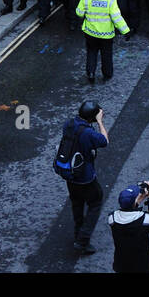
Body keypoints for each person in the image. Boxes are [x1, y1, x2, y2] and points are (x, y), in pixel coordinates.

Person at [63, 100, 110, 254]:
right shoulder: (88, 133)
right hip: (85, 177)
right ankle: (82, 240)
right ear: (91, 118)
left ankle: (78, 233)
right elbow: (104, 141)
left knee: (77, 203)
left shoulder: (69, 124)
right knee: (95, 202)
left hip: (70, 174)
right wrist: (100, 122)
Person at [77, 0, 130, 82]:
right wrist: (125, 31)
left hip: (90, 32)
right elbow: (117, 18)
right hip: (106, 34)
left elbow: (79, 13)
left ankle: (91, 72)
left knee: (91, 52)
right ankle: (107, 74)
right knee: (106, 54)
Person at [109, 181, 149, 273]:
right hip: (141, 266)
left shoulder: (112, 218)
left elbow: (127, 212)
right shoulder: (143, 220)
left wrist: (136, 202)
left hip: (122, 264)